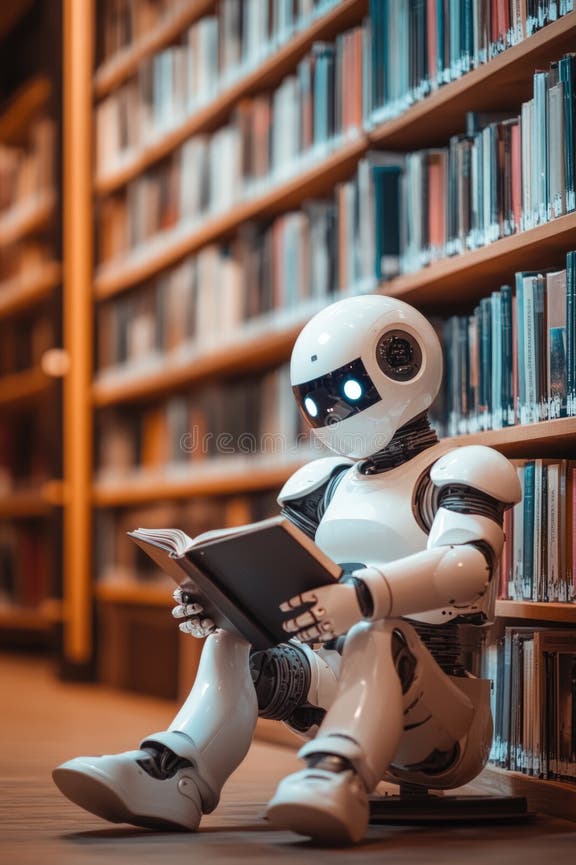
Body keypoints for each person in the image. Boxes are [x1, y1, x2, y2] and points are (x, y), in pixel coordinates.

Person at [53, 295, 521, 844]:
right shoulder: (325, 484)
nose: (334, 414)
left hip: (443, 722)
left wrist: (360, 596)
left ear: (400, 363)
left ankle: (336, 777)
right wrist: (225, 597)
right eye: (316, 403)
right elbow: (276, 569)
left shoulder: (458, 470)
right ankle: (175, 773)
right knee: (232, 640)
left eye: (347, 392)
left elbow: (468, 569)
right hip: (333, 686)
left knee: (375, 634)